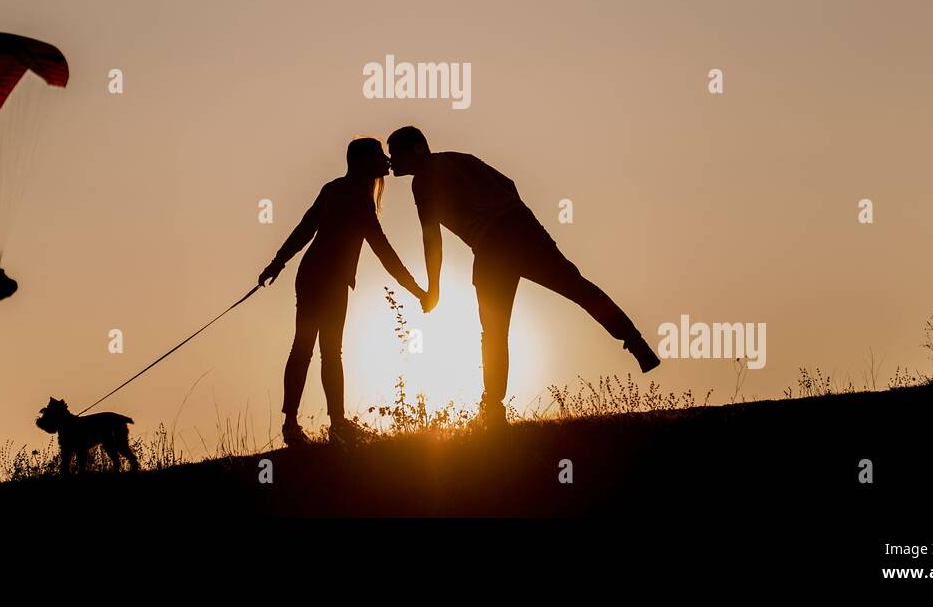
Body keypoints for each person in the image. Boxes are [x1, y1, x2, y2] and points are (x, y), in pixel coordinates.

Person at [385, 126, 660, 429]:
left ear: (416, 150)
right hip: (522, 228)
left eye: (394, 153)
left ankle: (492, 409)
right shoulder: (461, 158)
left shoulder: (422, 183)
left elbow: (431, 238)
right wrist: (514, 216)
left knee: (494, 329)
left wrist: (434, 288)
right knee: (578, 288)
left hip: (492, 247)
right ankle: (635, 342)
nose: (390, 160)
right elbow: (509, 184)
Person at [258, 137, 425, 447]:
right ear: (364, 162)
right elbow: (383, 250)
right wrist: (416, 290)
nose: (386, 160)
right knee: (324, 352)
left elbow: (305, 228)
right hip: (329, 280)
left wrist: (278, 263)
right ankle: (329, 425)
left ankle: (300, 423)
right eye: (379, 156)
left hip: (312, 276)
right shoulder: (358, 199)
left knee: (306, 348)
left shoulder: (333, 189)